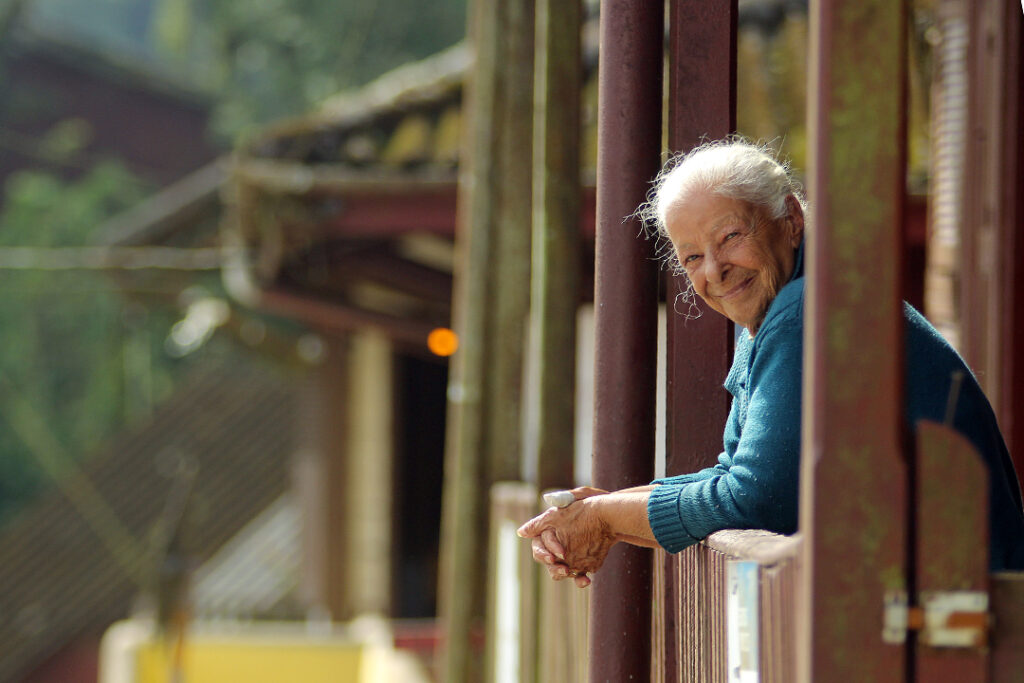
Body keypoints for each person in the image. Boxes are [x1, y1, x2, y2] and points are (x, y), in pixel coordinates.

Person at [517, 139, 1024, 587]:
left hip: (965, 625)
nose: (715, 270)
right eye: (692, 257)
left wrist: (607, 517)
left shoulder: (808, 309)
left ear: (792, 221)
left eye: (731, 236)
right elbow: (737, 475)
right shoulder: (779, 312)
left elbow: (756, 498)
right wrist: (610, 508)